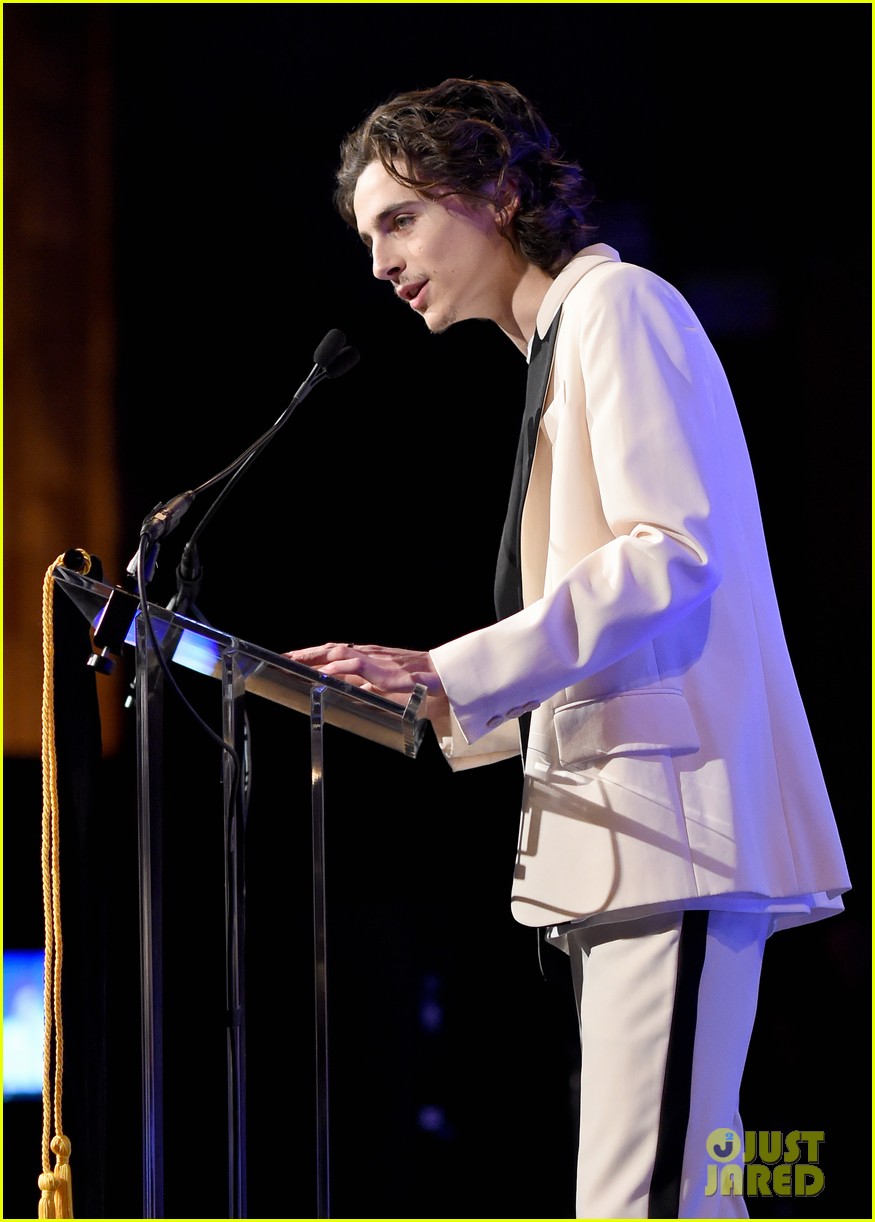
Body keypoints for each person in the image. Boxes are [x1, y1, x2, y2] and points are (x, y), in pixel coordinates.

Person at [287, 78, 850, 1219]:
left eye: (399, 218)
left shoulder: (615, 307)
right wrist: (438, 695)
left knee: (641, 1197)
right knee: (685, 1192)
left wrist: (454, 668)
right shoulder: (558, 344)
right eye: (367, 237)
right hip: (630, 846)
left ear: (495, 189)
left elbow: (668, 551)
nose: (381, 262)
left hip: (669, 836)